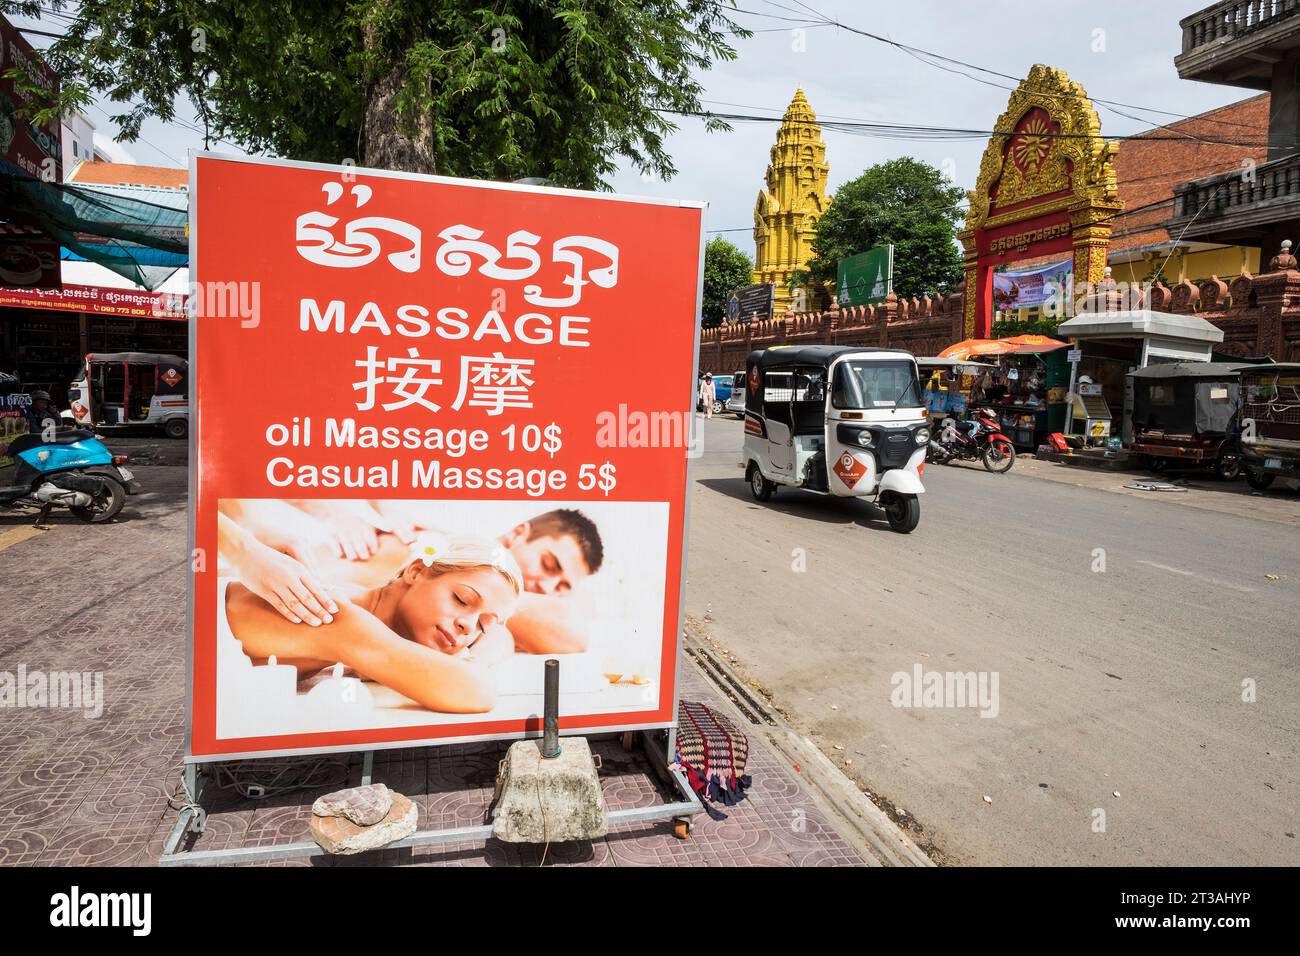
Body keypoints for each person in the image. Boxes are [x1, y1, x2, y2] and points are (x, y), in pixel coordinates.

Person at [222, 532, 522, 714]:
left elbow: (503, 639)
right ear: (416, 572)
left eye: (482, 626)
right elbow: (475, 691)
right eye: (461, 599)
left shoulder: (367, 623)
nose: (467, 628)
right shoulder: (337, 613)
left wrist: (473, 654)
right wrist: (467, 664)